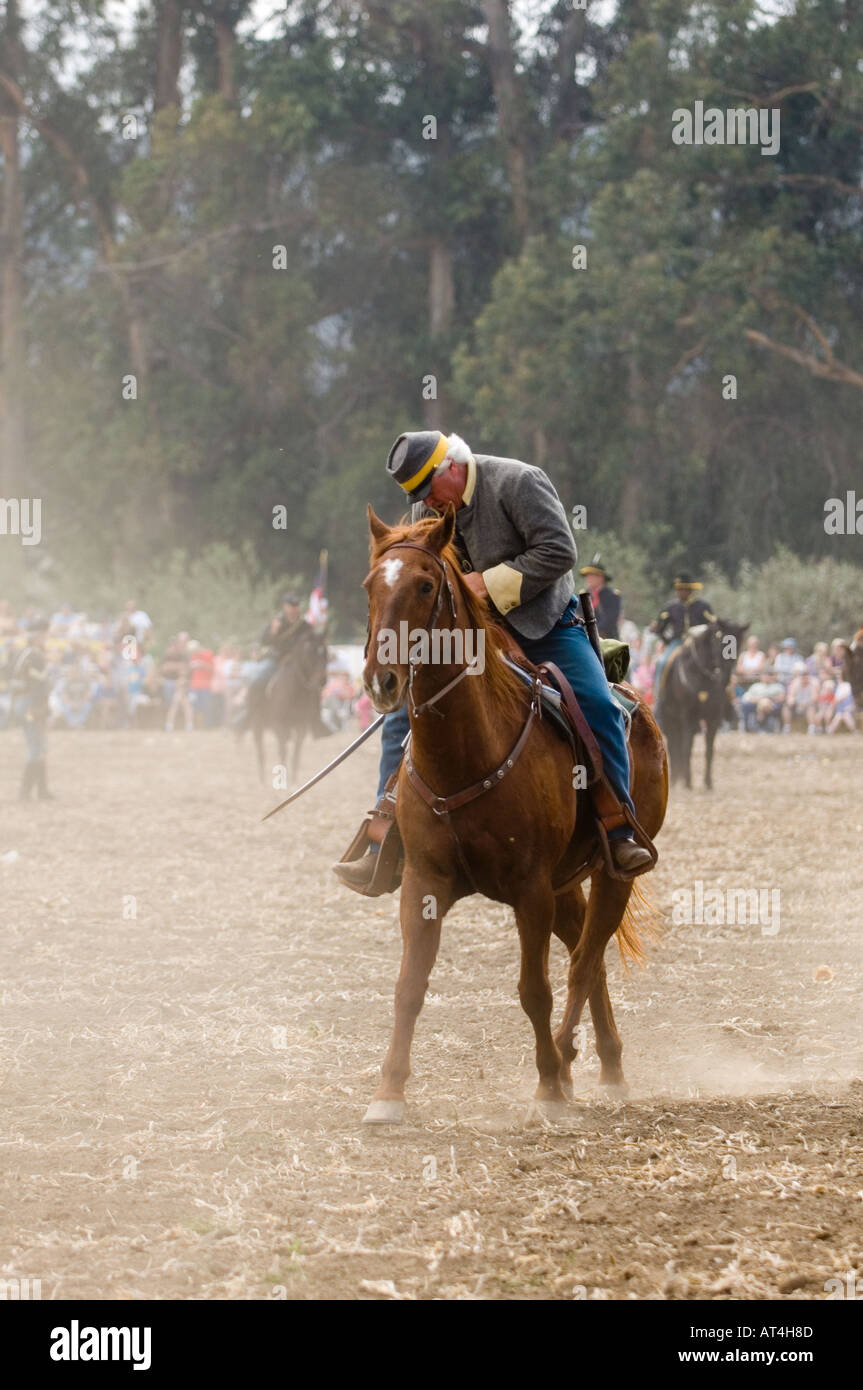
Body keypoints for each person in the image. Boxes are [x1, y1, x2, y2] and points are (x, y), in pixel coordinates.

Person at [332, 428, 654, 893]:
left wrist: (486, 583)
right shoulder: (430, 508)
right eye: (417, 496)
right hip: (475, 635)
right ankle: (385, 837)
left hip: (548, 625)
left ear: (451, 468)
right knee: (405, 712)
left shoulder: (519, 481)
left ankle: (616, 825)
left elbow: (560, 551)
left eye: (428, 490)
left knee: (598, 705)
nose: (425, 504)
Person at [649, 573, 716, 698]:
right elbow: (661, 626)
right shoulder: (671, 607)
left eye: (681, 589)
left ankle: (722, 697)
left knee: (716, 664)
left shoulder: (702, 606)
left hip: (698, 643)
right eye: (677, 589)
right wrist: (662, 634)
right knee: (662, 663)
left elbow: (713, 624)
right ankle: (658, 696)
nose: (678, 592)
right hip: (678, 643)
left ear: (689, 589)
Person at [11, 617, 54, 801]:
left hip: (20, 702)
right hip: (31, 704)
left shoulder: (20, 653)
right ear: (38, 636)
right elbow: (39, 686)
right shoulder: (36, 656)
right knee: (36, 747)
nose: (46, 638)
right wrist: (42, 709)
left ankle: (42, 791)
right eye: (44, 635)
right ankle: (25, 792)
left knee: (39, 745)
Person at [578, 558, 621, 639]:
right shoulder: (583, 595)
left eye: (591, 575)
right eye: (587, 576)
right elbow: (580, 616)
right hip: (586, 637)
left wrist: (592, 631)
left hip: (608, 638)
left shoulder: (613, 595)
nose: (588, 579)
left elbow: (610, 620)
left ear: (601, 577)